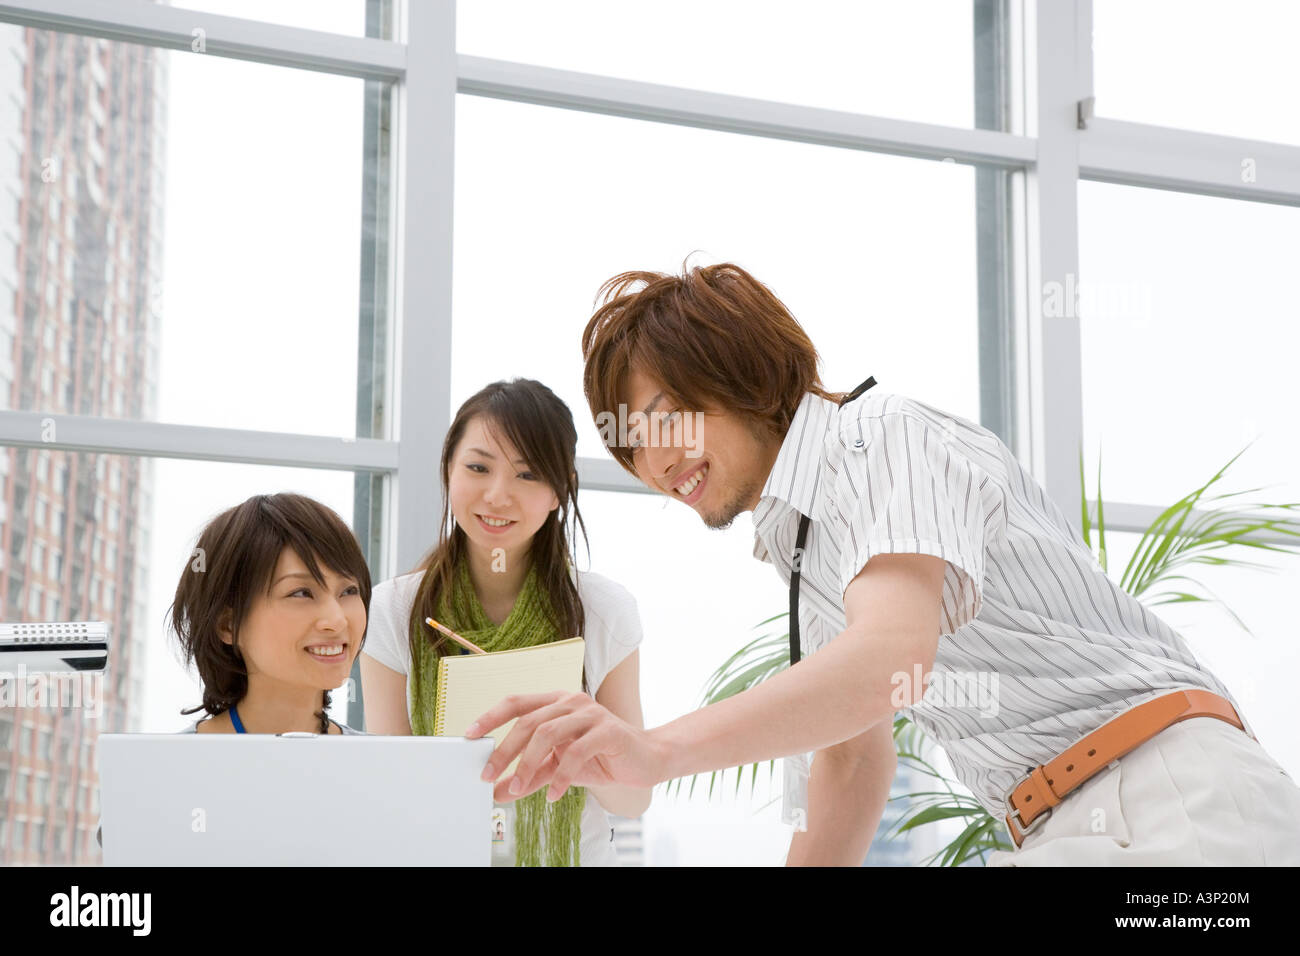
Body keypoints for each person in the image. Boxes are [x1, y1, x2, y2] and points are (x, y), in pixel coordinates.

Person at [465, 261, 1300, 866]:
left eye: (664, 421)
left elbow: (891, 658)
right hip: (1068, 829)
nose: (655, 467)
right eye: (632, 449)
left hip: (1171, 803)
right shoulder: (807, 546)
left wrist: (656, 750)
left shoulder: (883, 438)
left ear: (741, 371)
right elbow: (853, 758)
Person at [360, 378, 650, 867]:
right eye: (477, 467)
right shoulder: (393, 610)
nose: (497, 495)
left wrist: (587, 750)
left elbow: (634, 800)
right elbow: (392, 785)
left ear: (560, 492)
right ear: (448, 471)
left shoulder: (603, 611)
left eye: (527, 474)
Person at [98, 493, 370, 848]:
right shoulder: (159, 782)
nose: (337, 620)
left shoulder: (386, 771)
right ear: (228, 624)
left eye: (349, 590)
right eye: (301, 593)